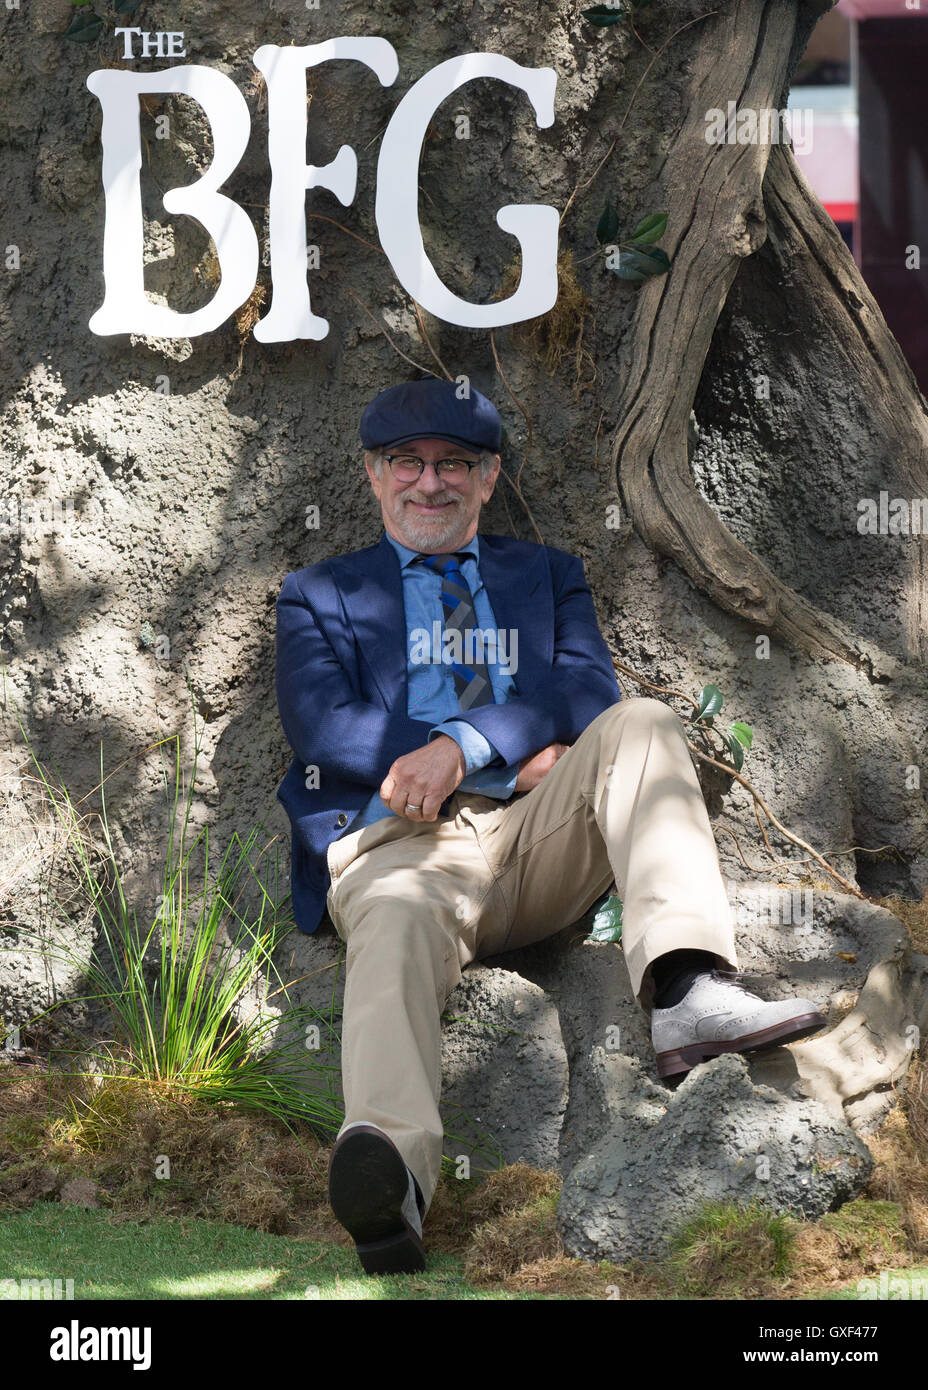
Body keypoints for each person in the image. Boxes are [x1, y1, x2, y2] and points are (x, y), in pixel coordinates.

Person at [274, 376, 826, 1276]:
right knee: (398, 923)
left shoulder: (546, 574)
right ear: (372, 477)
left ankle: (687, 990)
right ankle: (393, 1182)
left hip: (539, 835)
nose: (430, 483)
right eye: (405, 463)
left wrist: (468, 743)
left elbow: (588, 694)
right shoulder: (317, 593)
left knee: (643, 722)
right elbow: (324, 726)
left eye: (455, 464)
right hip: (399, 847)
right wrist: (482, 747)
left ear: (488, 480)